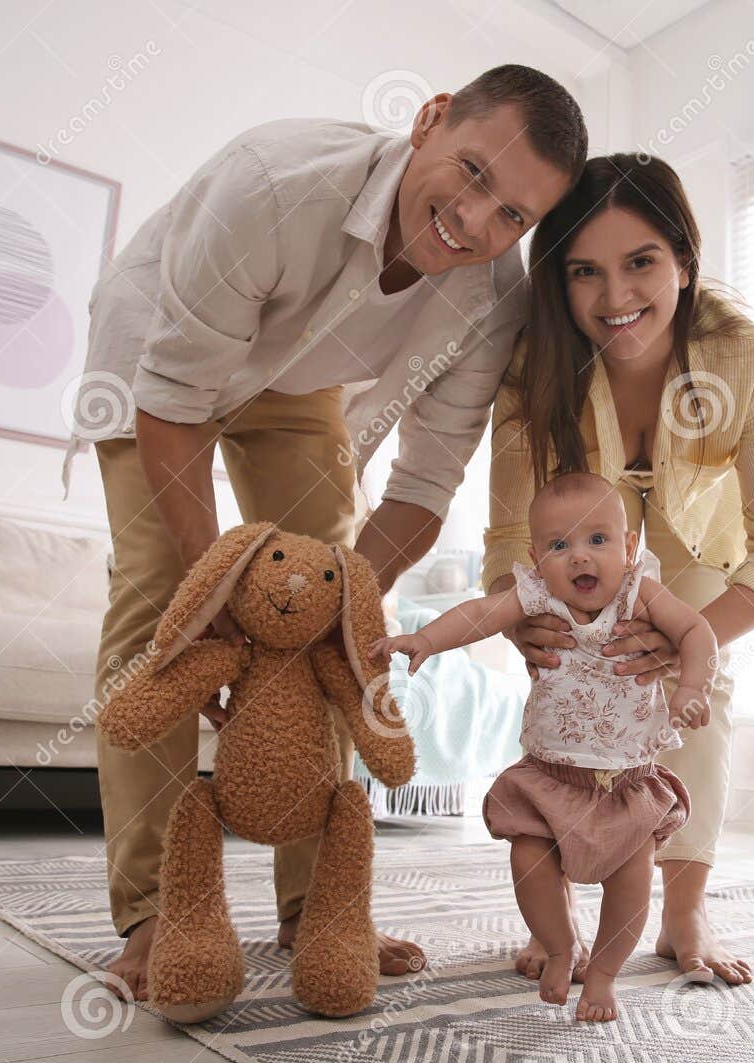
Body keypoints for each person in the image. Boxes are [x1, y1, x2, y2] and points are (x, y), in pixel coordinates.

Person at [74, 65, 587, 1001]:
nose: (477, 223)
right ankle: (155, 913)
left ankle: (319, 910)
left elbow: (425, 487)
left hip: (301, 386)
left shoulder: (490, 301)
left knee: (328, 632)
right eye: (472, 173)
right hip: (163, 365)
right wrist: (221, 603)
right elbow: (178, 399)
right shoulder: (277, 183)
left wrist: (339, 607)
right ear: (430, 120)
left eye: (512, 215)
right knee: (161, 602)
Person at [481, 153, 754, 987]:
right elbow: (508, 533)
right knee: (573, 673)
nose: (614, 298)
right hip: (581, 535)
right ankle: (553, 911)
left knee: (697, 672)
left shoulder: (742, 357)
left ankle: (682, 908)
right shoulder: (535, 367)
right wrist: (526, 623)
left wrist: (689, 645)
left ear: (685, 263)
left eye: (642, 264)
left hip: (697, 537)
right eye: (585, 272)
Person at [374, 471, 717, 1020]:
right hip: (549, 780)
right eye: (560, 546)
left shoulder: (640, 591)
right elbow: (478, 616)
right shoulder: (536, 595)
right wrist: (426, 640)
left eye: (597, 540)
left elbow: (697, 630)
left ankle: (603, 976)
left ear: (629, 548)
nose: (580, 558)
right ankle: (559, 949)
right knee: (528, 862)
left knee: (630, 889)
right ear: (536, 558)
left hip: (626, 784)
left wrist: (692, 687)